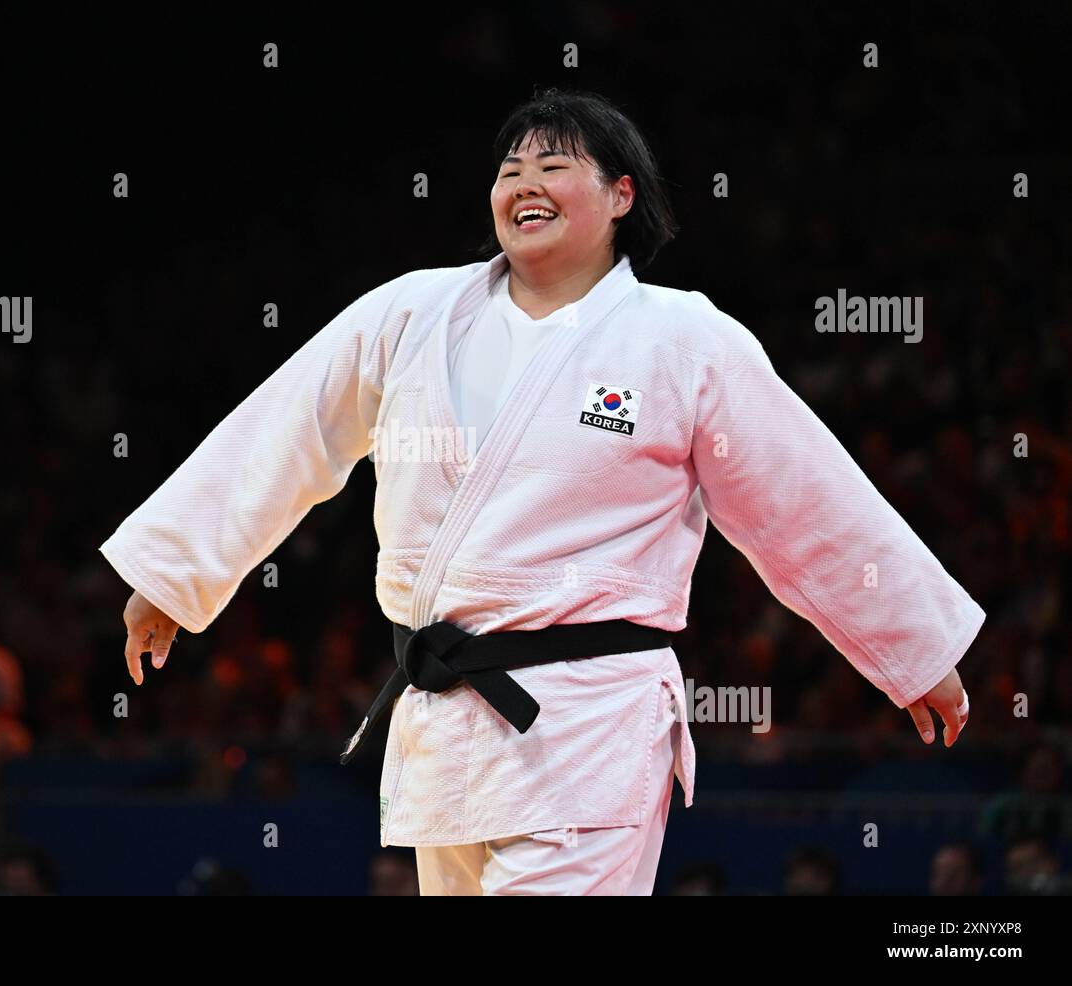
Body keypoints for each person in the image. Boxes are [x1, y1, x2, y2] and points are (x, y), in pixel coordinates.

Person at [99, 86, 984, 895]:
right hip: (446, 723)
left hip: (591, 722)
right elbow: (288, 432)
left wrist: (913, 648)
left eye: (554, 164)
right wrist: (175, 573)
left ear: (621, 196)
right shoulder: (412, 314)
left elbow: (803, 501)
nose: (524, 179)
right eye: (510, 167)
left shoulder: (681, 339)